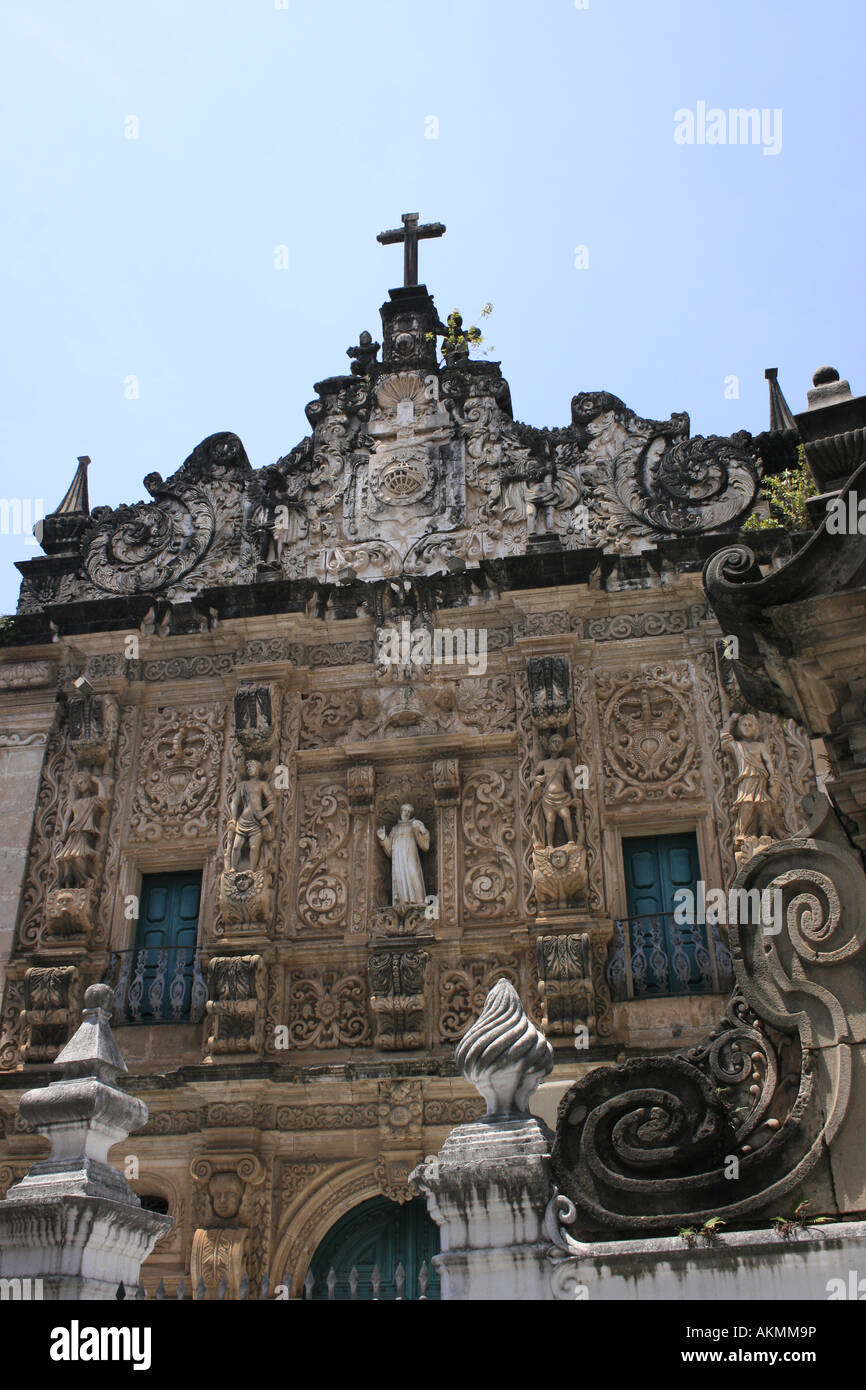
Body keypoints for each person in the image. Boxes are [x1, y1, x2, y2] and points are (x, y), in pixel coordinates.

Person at [377, 804, 430, 907]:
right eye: (404, 810)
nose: (406, 813)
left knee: (413, 874)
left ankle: (419, 901)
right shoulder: (395, 829)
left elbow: (424, 845)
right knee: (400, 878)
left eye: (409, 812)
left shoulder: (414, 825)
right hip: (398, 859)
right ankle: (402, 902)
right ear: (401, 811)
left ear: (411, 815)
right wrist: (383, 838)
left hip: (410, 856)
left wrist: (423, 832)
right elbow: (389, 851)